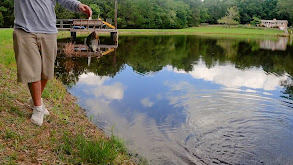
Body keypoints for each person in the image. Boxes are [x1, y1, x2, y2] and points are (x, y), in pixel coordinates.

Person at [13, 0, 92, 126]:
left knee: (47, 71)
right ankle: (38, 108)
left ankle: (35, 100)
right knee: (33, 69)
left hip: (49, 31)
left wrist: (78, 5)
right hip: (24, 30)